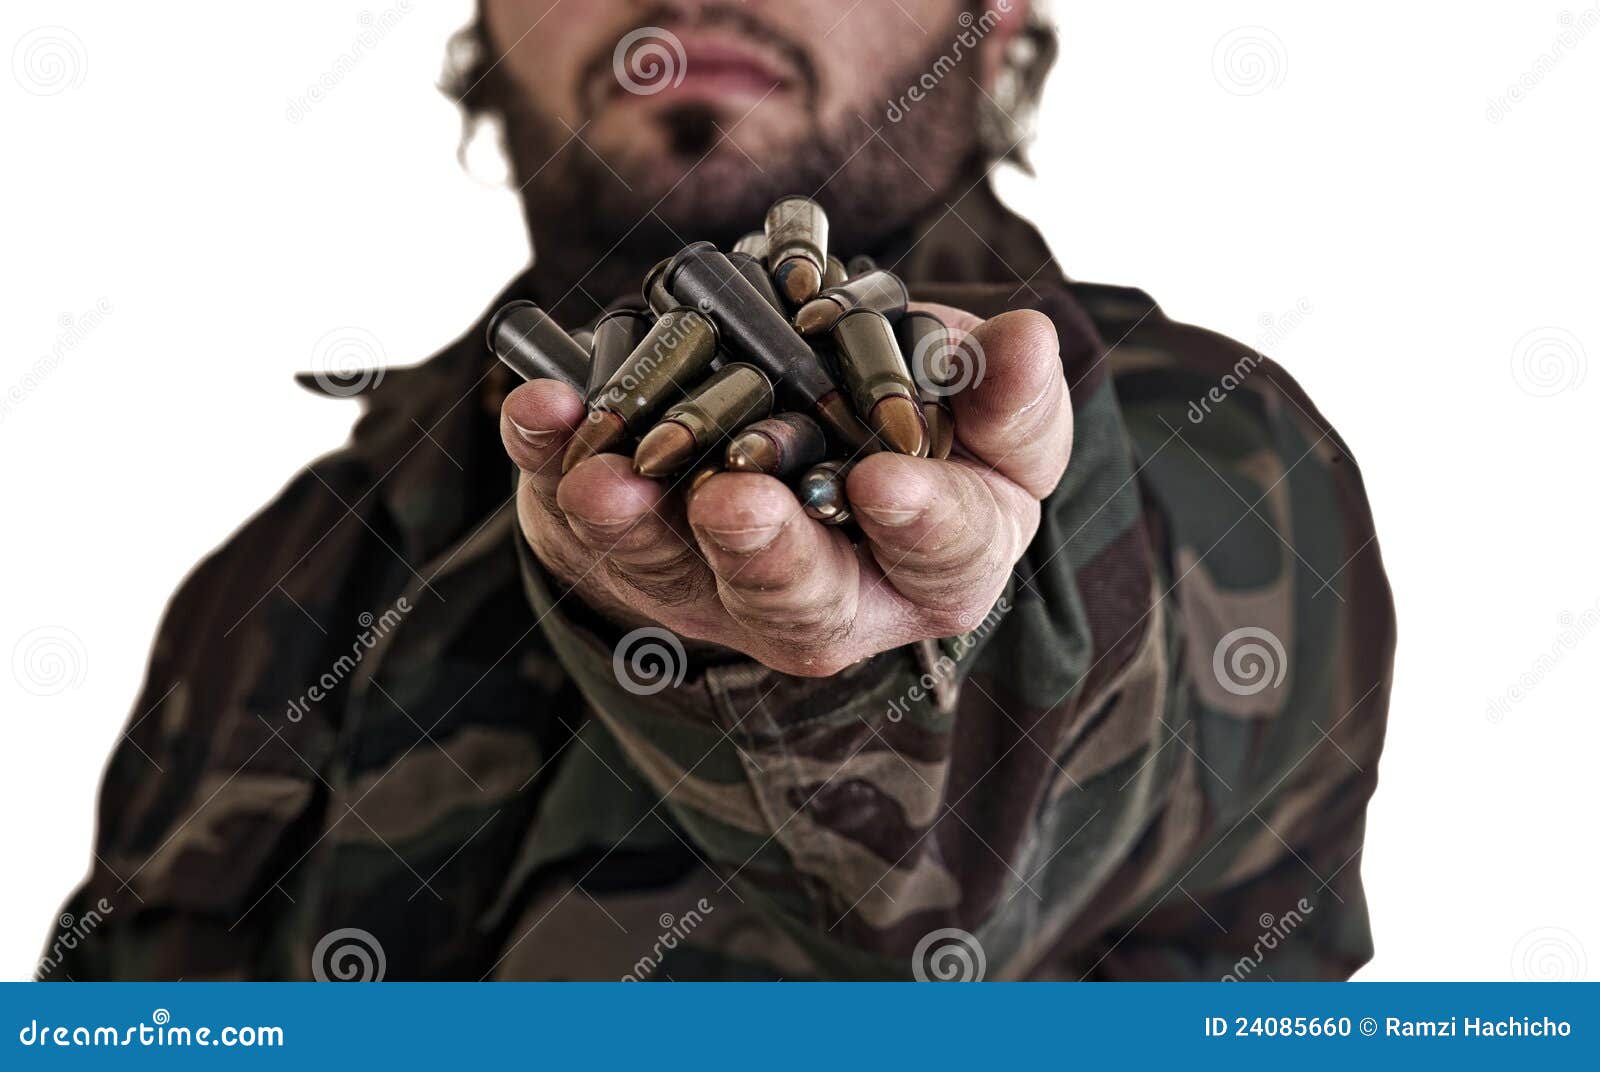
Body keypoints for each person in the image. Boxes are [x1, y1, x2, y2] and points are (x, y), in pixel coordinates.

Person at [46, 0, 1393, 981]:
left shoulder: (1217, 448)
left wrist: (890, 635)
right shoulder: (282, 570)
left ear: (999, 17)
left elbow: (1065, 742)